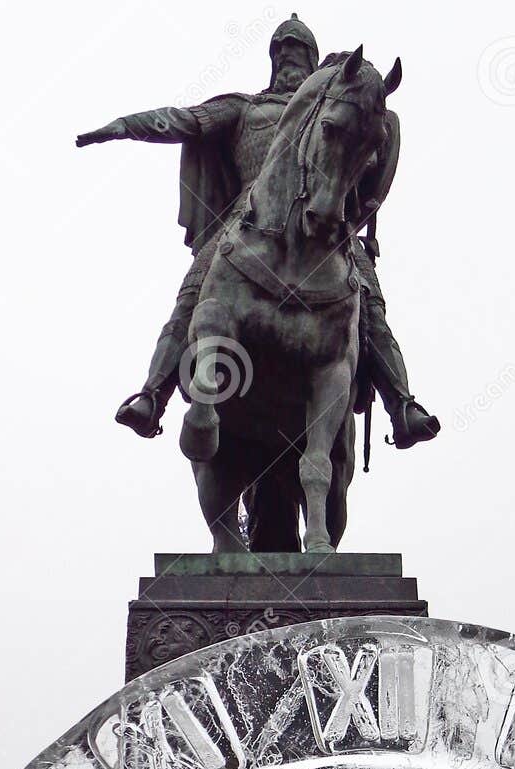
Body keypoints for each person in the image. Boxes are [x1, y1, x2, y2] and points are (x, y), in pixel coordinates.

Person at [76, 14, 440, 450]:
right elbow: (184, 120)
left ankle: (401, 404)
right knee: (193, 294)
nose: (287, 56)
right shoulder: (244, 107)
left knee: (369, 301)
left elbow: (367, 160)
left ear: (311, 59)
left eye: (296, 50)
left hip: (325, 220)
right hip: (245, 217)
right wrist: (125, 125)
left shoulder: (335, 110)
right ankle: (154, 395)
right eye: (280, 50)